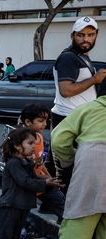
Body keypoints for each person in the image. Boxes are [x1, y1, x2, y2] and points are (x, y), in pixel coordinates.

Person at [30, 96, 106, 239]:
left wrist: (68, 162)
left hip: (93, 166)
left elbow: (59, 136)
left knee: (75, 230)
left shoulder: (90, 108)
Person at [51, 17, 106, 188]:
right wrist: (94, 79)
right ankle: (65, 210)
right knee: (71, 172)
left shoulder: (82, 57)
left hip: (78, 118)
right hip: (69, 117)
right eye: (81, 35)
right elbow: (66, 90)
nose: (86, 39)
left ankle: (53, 204)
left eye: (90, 34)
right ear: (72, 35)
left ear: (97, 35)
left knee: (66, 170)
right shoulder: (69, 58)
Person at [0, 128, 59, 239]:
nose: (34, 147)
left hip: (21, 205)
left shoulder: (25, 161)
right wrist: (45, 183)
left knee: (15, 233)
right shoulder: (14, 163)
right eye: (30, 143)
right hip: (11, 204)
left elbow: (34, 177)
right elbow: (25, 182)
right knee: (6, 233)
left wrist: (47, 179)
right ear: (17, 145)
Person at [19, 104, 65, 221]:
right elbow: (20, 169)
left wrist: (50, 178)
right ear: (28, 122)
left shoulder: (40, 137)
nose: (44, 124)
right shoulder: (20, 141)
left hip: (42, 182)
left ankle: (65, 227)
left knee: (61, 202)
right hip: (27, 184)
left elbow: (40, 163)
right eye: (40, 121)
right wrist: (46, 180)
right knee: (18, 216)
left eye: (46, 120)